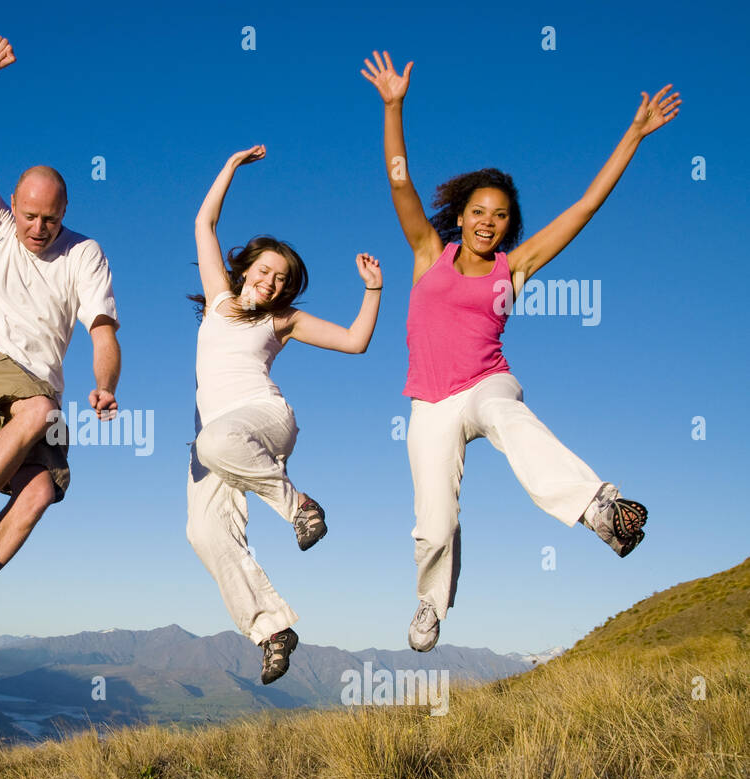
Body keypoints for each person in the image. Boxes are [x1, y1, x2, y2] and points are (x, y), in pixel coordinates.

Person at [361, 50, 679, 652]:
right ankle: (431, 603)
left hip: (487, 383)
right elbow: (400, 180)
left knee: (508, 416)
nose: (488, 222)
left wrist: (633, 135)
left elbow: (585, 206)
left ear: (509, 226)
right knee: (434, 525)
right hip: (430, 403)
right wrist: (394, 106)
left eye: (500, 216)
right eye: (478, 212)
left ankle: (599, 508)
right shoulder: (429, 253)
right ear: (461, 216)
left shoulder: (517, 265)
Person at [0, 34, 121, 663]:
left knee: (41, 492)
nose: (37, 229)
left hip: (37, 392)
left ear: (65, 211)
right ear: (16, 206)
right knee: (34, 409)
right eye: (29, 216)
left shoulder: (85, 254)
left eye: (50, 219)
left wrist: (106, 383)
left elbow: (103, 330)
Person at [187, 146, 382, 684]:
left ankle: (301, 506)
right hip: (216, 439)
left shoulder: (283, 321)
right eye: (264, 271)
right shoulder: (219, 301)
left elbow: (355, 341)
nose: (270, 282)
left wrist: (373, 290)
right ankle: (272, 629)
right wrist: (228, 167)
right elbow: (204, 222)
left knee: (215, 442)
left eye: (281, 278)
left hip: (263, 419)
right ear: (246, 269)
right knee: (204, 533)